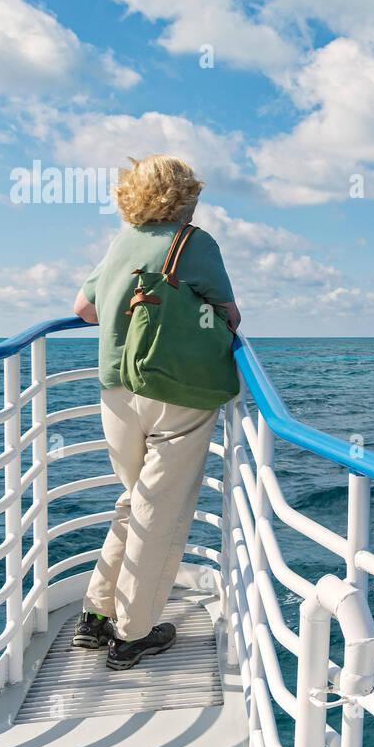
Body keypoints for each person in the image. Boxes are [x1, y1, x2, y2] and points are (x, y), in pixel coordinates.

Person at [70, 155, 240, 670]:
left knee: (135, 500)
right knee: (157, 514)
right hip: (177, 393)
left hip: (117, 392)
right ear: (186, 196)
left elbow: (84, 308)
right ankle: (132, 635)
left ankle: (96, 616)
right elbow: (229, 314)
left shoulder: (121, 243)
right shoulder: (196, 243)